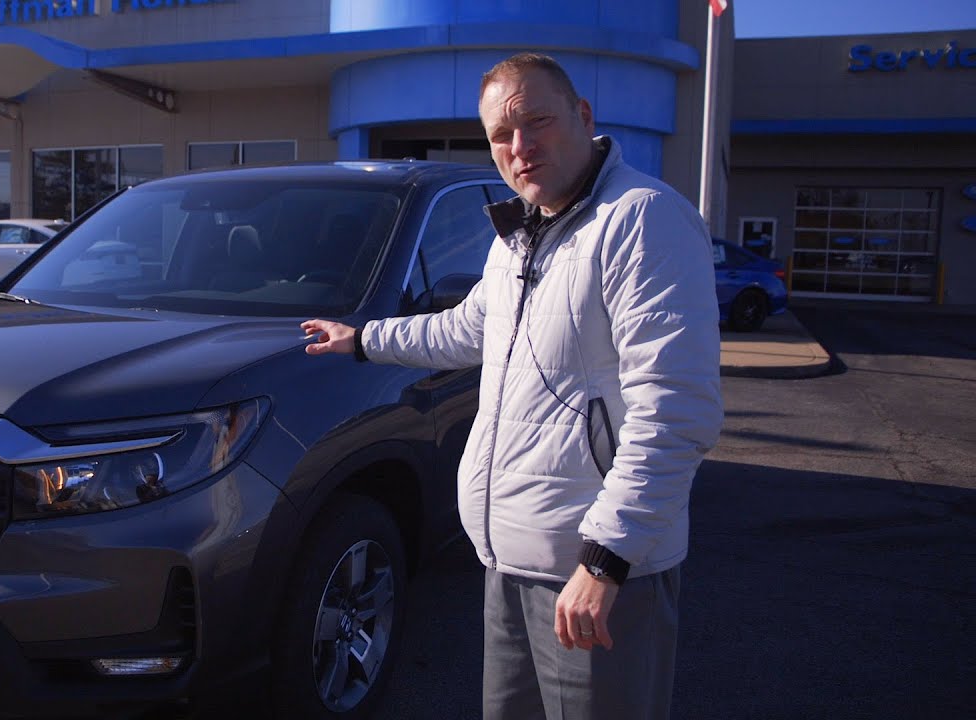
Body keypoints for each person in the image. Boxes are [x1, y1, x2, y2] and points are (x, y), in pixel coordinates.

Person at [301, 53, 723, 720]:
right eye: (501, 134)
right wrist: (363, 338)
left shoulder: (641, 220)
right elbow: (465, 330)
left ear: (583, 118)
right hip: (509, 559)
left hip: (592, 574)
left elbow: (677, 411)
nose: (519, 147)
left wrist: (605, 560)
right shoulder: (519, 238)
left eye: (537, 122)